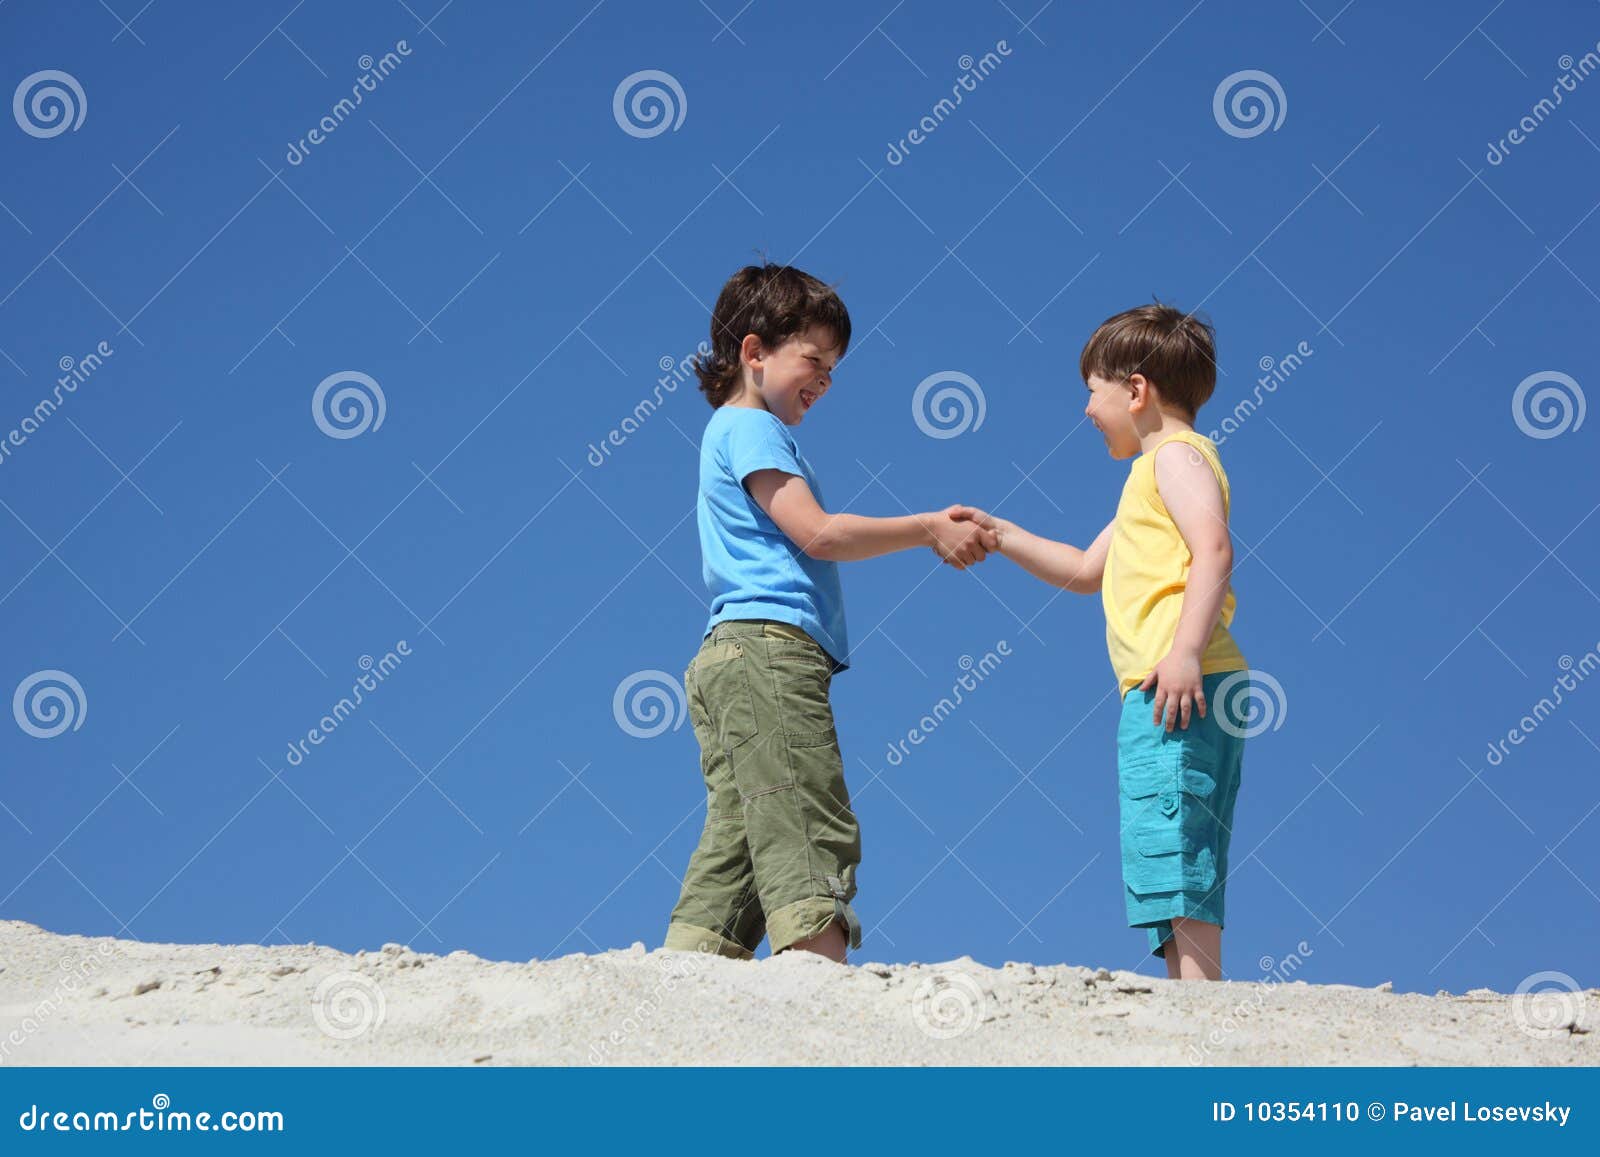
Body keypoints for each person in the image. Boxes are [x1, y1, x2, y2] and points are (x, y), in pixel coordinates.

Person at [663, 263, 996, 962]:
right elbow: (815, 531)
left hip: (726, 657)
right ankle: (819, 983)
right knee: (807, 816)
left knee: (744, 830)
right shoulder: (752, 429)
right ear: (753, 353)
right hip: (769, 651)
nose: (826, 379)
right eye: (813, 358)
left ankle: (687, 974)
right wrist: (927, 527)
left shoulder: (727, 431)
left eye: (834, 367)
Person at [955, 303, 1250, 980]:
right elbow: (1087, 571)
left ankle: (1203, 999)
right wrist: (1002, 536)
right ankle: (1189, 987)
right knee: (1160, 840)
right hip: (1164, 683)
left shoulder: (1174, 458)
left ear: (1137, 390)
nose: (1088, 410)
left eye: (1094, 391)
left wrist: (1182, 652)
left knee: (1178, 837)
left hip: (1182, 677)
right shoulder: (1146, 481)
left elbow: (1214, 549)